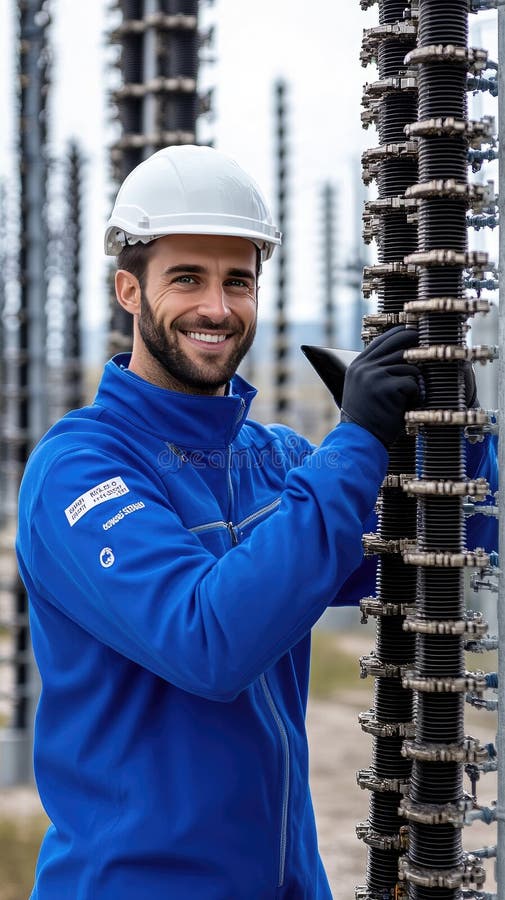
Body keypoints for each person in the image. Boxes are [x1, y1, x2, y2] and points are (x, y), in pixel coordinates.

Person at [16, 145, 497, 900]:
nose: (216, 307)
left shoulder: (274, 461)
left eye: (236, 281)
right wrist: (356, 441)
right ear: (128, 290)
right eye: (186, 278)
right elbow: (210, 639)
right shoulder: (79, 470)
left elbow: (460, 540)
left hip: (284, 882)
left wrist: (459, 429)